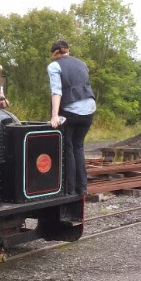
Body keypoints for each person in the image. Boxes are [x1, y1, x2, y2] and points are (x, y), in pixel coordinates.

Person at [47, 40, 96, 196]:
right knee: (78, 146)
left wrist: (54, 116)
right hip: (89, 110)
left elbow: (56, 91)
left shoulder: (54, 65)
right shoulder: (82, 63)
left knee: (68, 147)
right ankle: (82, 188)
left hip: (72, 110)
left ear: (54, 54)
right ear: (68, 51)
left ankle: (70, 190)